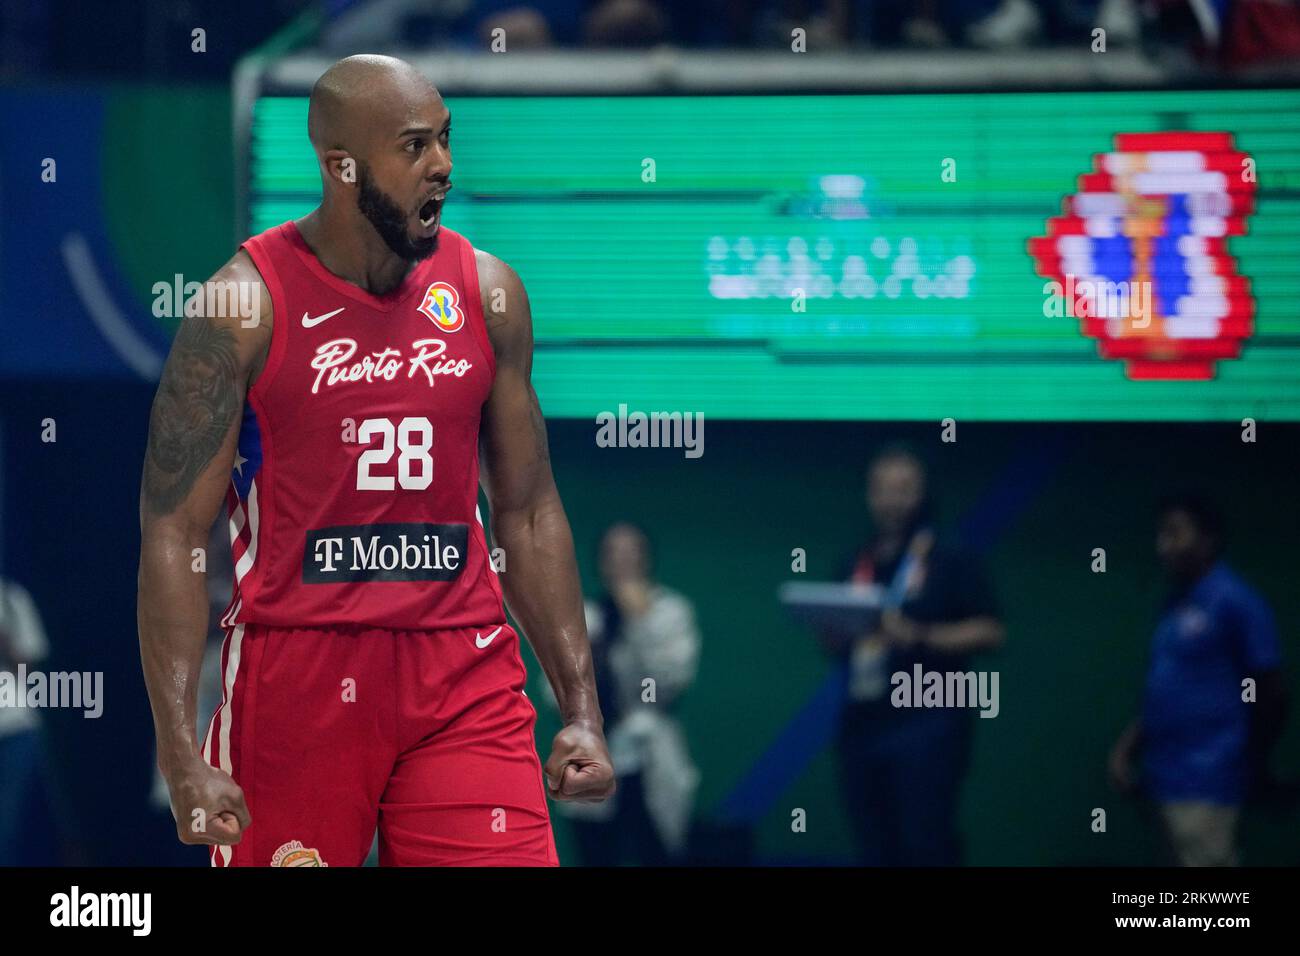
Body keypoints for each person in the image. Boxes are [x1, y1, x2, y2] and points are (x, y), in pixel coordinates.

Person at [137, 54, 614, 867]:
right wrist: (183, 756)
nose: (444, 166)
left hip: (462, 666)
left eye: (446, 141)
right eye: (416, 146)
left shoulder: (488, 295)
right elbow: (173, 530)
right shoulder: (240, 306)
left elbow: (528, 510)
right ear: (341, 165)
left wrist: (581, 710)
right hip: (298, 673)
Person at [829, 446, 1003, 866]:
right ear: (870, 496)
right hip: (863, 722)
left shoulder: (950, 557)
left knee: (926, 842)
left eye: (903, 489)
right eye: (883, 490)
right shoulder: (856, 562)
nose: (892, 500)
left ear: (922, 494)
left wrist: (917, 635)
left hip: (929, 719)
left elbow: (991, 631)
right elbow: (840, 645)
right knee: (875, 845)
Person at [1109, 494, 1288, 866]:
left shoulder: (1236, 602)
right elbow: (1170, 692)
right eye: (1160, 534)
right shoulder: (1174, 607)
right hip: (1163, 780)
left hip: (1210, 782)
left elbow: (1271, 694)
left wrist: (1250, 764)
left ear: (1208, 540)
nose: (1163, 545)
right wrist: (1128, 747)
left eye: (1175, 533)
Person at [546, 522, 701, 865]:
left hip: (652, 753)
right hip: (595, 744)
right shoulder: (583, 615)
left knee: (659, 851)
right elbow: (552, 690)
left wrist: (640, 620)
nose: (623, 562)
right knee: (596, 853)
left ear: (647, 559)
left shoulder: (671, 613)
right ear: (600, 562)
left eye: (632, 552)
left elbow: (671, 681)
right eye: (613, 553)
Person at [0, 577, 52, 864]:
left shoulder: (12, 599)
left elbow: (31, 672)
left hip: (15, 728)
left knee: (8, 824)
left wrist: (5, 642)